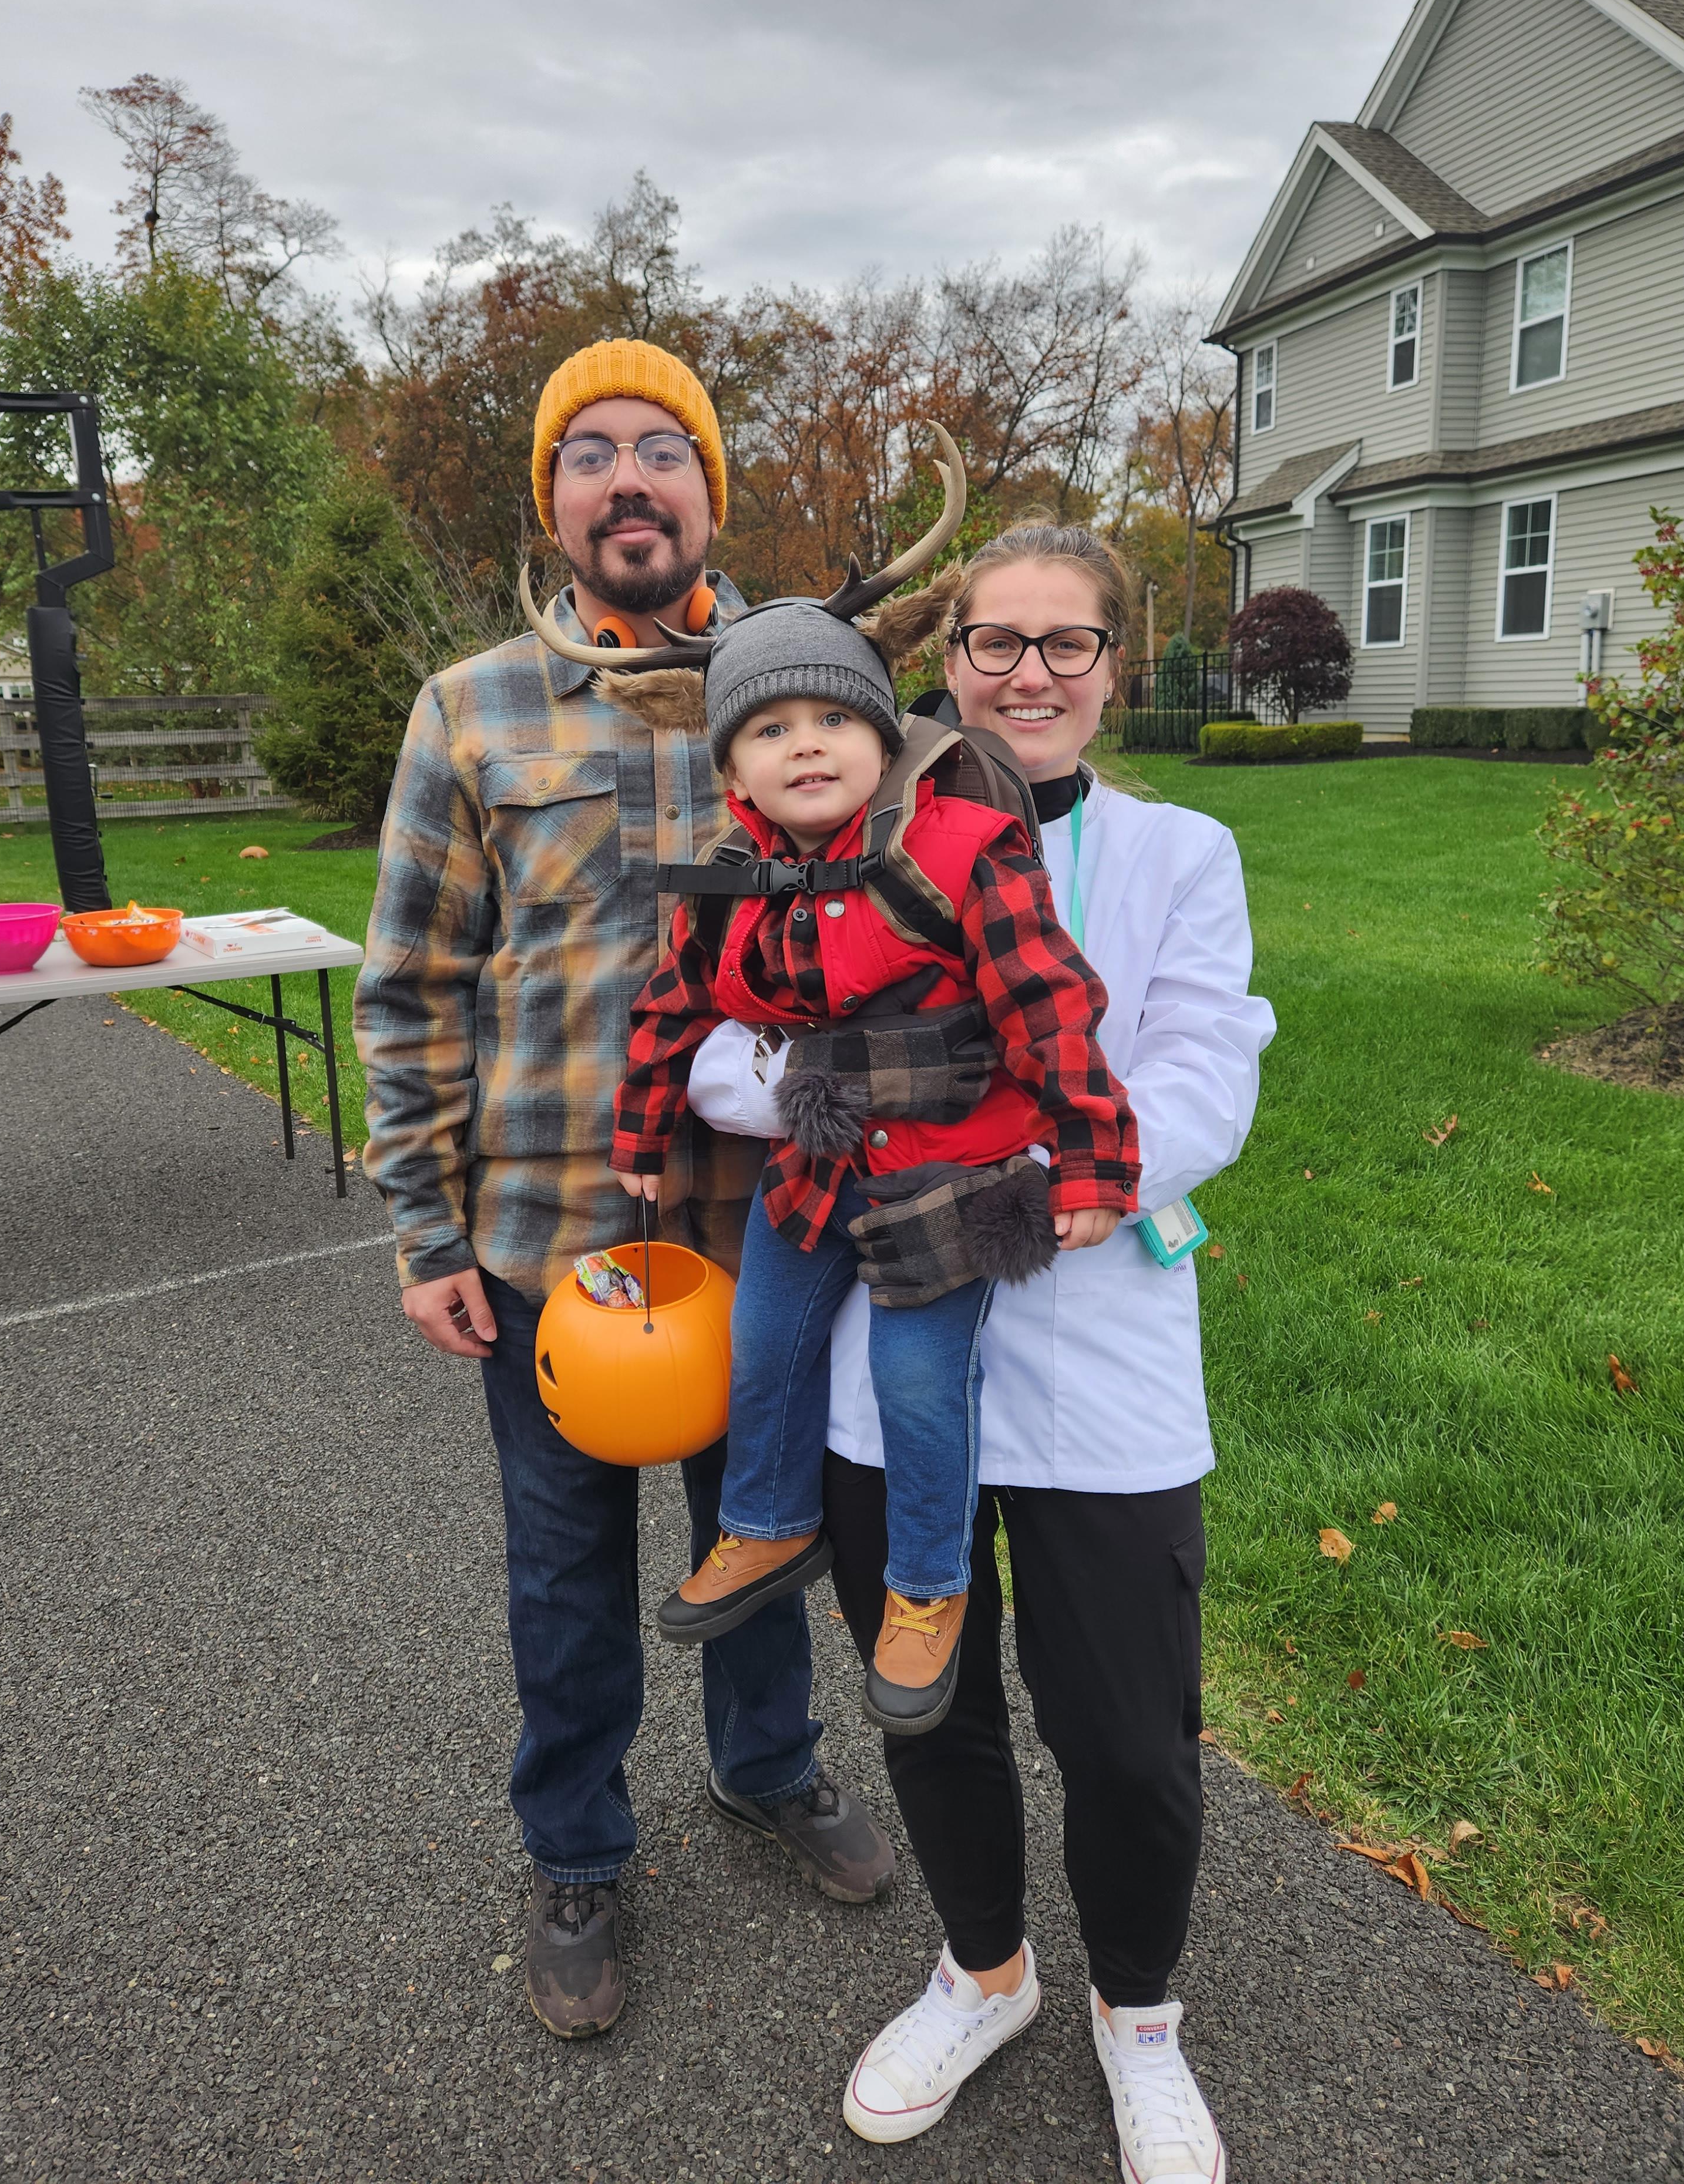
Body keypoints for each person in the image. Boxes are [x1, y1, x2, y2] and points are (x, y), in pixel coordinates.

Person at [688, 522, 1275, 2177]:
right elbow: (729, 1060)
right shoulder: (822, 843)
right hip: (893, 1365)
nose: (1027, 672)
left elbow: (1203, 1072)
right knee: (923, 1703)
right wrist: (915, 1134)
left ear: (1113, 667)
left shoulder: (1181, 854)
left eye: (1065, 643)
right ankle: (986, 1971)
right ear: (946, 670)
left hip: (1105, 1368)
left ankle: (1137, 2016)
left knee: (1128, 1736)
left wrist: (1016, 1188)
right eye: (995, 644)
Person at [354, 340, 894, 2045]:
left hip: (777, 1223)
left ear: (712, 491)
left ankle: (767, 1772)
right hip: (549, 1236)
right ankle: (577, 1849)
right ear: (554, 501)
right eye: (589, 455)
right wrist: (425, 1228)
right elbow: (415, 981)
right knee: (562, 1563)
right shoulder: (473, 708)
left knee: (760, 1529)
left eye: (665, 449)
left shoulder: (803, 689)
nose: (629, 481)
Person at [604, 588, 1137, 1734]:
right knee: (764, 1346)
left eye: (834, 719)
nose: (806, 741)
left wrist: (1093, 1155)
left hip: (948, 1172)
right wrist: (642, 1128)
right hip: (821, 1157)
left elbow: (1053, 1003)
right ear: (735, 772)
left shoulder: (962, 845)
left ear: (884, 739)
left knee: (916, 1380)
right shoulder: (726, 876)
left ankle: (930, 1586)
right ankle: (767, 1521)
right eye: (768, 726)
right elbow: (669, 1002)